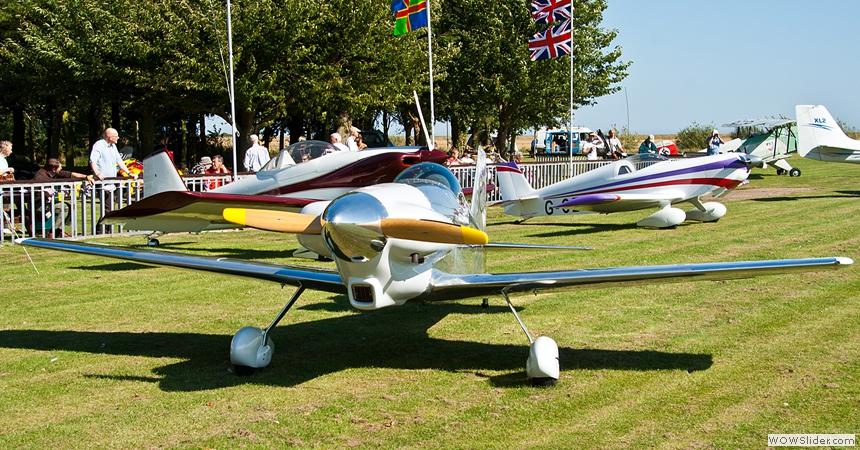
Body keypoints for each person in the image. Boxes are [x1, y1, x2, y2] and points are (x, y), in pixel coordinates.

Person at [32, 158, 95, 235]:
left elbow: (70, 174)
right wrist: (46, 194)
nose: (61, 168)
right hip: (39, 205)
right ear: (54, 169)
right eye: (60, 167)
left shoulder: (54, 173)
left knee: (69, 206)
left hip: (49, 204)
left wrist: (86, 177)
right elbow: (35, 189)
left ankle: (58, 230)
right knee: (65, 208)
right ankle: (53, 232)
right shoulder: (40, 176)